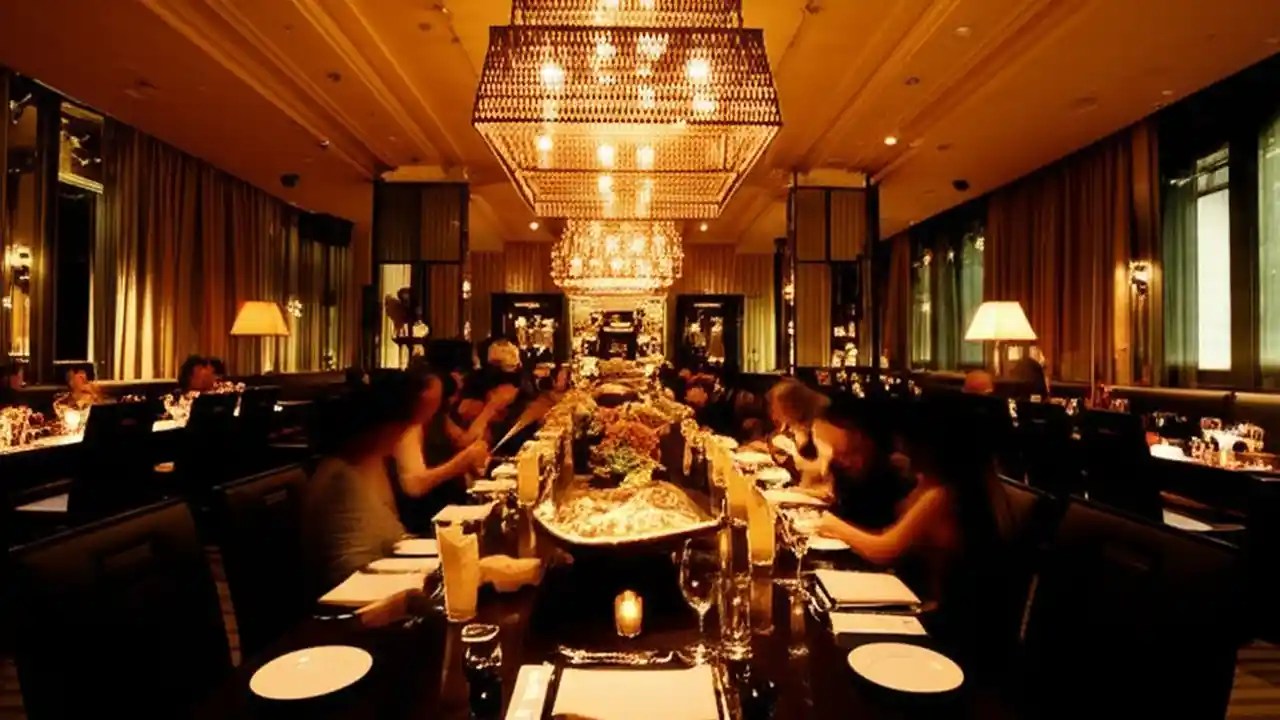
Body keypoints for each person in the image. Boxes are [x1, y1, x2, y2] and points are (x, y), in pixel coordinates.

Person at [815, 404, 1000, 653]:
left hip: (938, 616)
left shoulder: (942, 495)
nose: (902, 446)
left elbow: (885, 549)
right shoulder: (928, 483)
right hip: (912, 594)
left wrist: (833, 524)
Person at [302, 371, 432, 593]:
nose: (400, 435)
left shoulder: (365, 466)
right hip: (355, 598)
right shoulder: (340, 478)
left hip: (377, 585)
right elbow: (350, 568)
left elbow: (392, 538)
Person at [390, 363, 490, 533]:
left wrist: (476, 450)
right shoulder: (409, 426)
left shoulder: (438, 417)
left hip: (453, 509)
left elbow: (464, 441)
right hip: (427, 520)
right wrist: (461, 461)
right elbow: (414, 485)